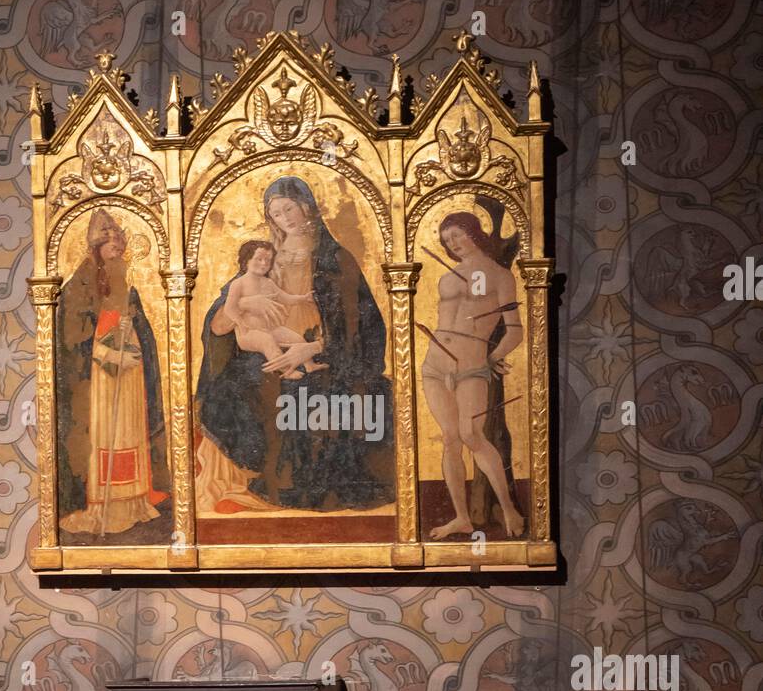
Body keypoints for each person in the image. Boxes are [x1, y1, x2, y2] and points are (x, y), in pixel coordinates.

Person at [196, 175, 394, 511]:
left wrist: (315, 348)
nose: (284, 218)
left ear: (306, 207)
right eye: (275, 213)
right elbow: (218, 326)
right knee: (232, 386)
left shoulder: (335, 259)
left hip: (327, 354)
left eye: (289, 208)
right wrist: (246, 306)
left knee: (319, 391)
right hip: (272, 350)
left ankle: (299, 485)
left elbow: (362, 325)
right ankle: (261, 478)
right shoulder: (265, 259)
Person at [56, 207, 169, 536]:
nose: (117, 253)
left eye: (120, 248)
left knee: (130, 430)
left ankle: (134, 502)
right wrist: (104, 350)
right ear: (97, 249)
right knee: (107, 433)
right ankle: (104, 507)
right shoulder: (80, 285)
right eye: (111, 248)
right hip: (100, 377)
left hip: (128, 371)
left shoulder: (127, 284)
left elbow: (141, 329)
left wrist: (132, 341)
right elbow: (72, 336)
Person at [422, 210, 524, 539]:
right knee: (450, 440)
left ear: (474, 233)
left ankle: (509, 509)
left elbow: (515, 332)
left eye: (458, 235)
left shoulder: (499, 275)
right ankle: (461, 518)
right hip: (435, 364)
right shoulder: (447, 276)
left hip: (471, 366)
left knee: (472, 437)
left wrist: (491, 358)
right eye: (447, 240)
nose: (453, 244)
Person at [224, 239, 326, 381]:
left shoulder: (268, 283)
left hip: (270, 328)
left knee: (297, 338)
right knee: (267, 341)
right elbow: (229, 308)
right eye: (259, 259)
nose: (264, 263)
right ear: (246, 259)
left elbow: (285, 298)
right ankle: (286, 371)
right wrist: (240, 323)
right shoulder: (238, 284)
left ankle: (310, 365)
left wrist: (303, 298)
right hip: (248, 333)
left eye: (268, 260)